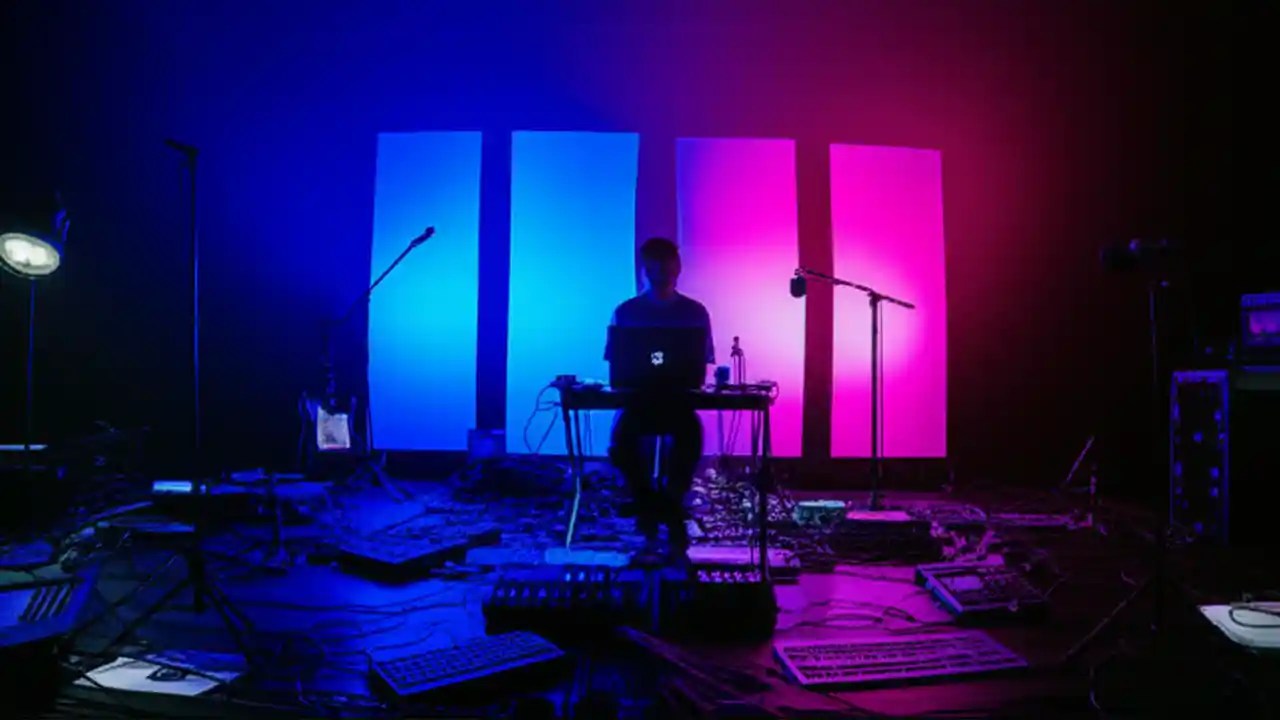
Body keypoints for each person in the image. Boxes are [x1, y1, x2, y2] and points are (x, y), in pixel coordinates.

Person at [605, 237, 713, 565]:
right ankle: (666, 511)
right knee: (622, 442)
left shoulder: (695, 312)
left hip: (678, 400)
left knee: (689, 437)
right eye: (654, 266)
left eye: (667, 266)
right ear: (645, 269)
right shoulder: (626, 312)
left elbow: (702, 364)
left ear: (677, 268)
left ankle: (655, 510)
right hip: (639, 399)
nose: (661, 273)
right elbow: (617, 363)